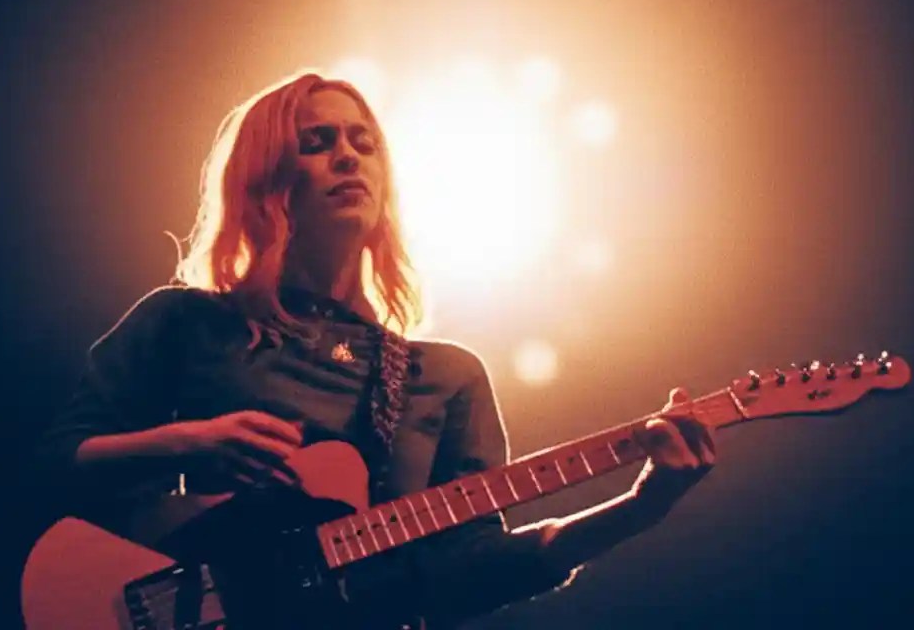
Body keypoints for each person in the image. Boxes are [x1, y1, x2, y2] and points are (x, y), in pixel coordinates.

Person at [37, 70, 718, 629]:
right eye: (317, 141)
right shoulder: (184, 322)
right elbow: (53, 460)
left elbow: (469, 571)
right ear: (267, 176)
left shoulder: (443, 377)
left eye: (364, 143)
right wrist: (188, 442)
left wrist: (642, 505)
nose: (347, 156)